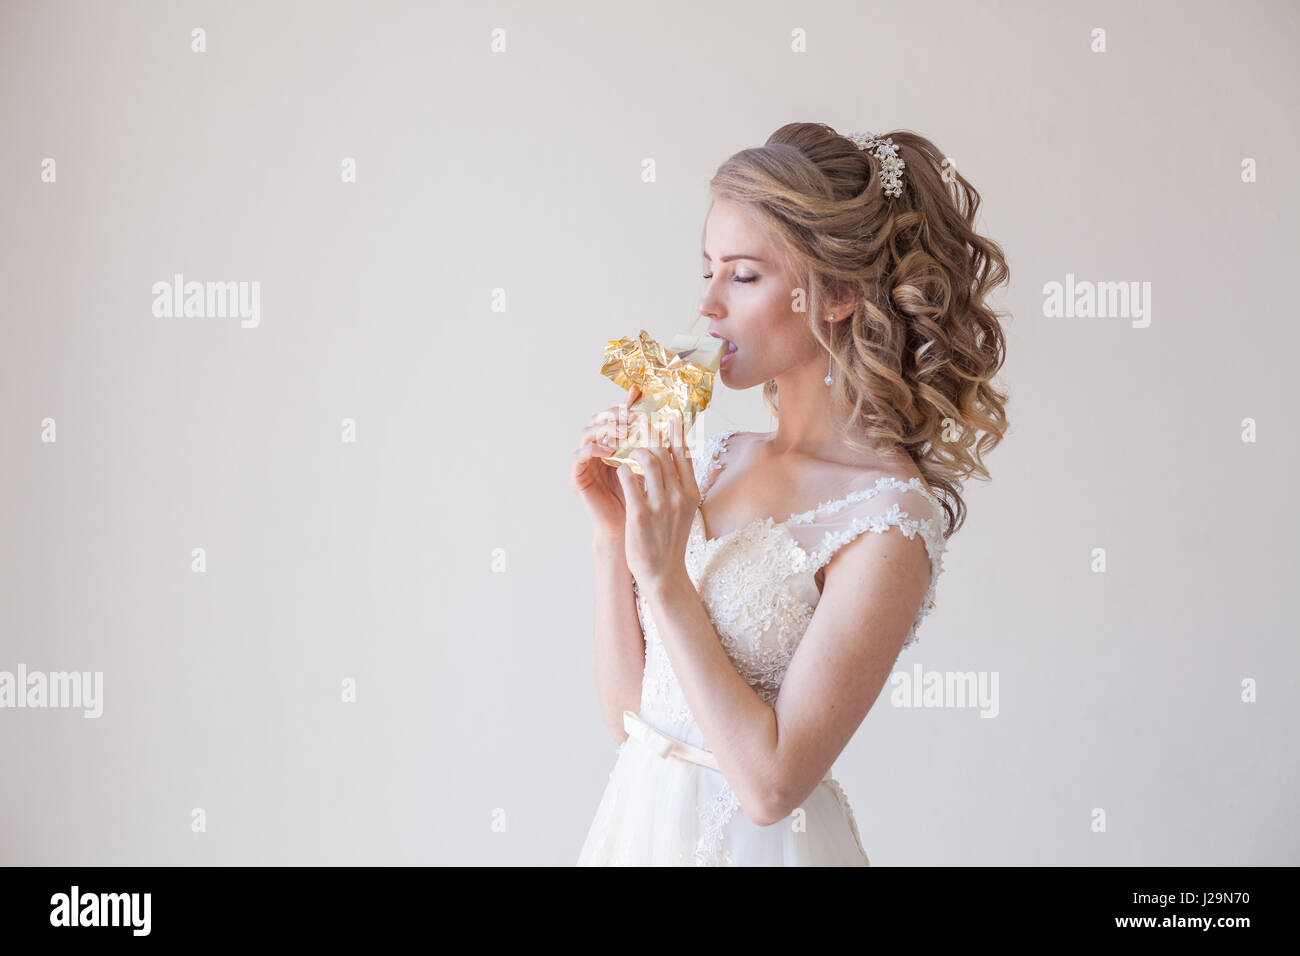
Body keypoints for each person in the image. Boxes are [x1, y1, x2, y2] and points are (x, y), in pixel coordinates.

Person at [569, 123, 1010, 865]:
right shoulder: (715, 461)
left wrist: (666, 577)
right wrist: (615, 538)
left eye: (743, 276)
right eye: (706, 270)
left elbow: (771, 786)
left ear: (836, 292)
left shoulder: (889, 520)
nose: (707, 306)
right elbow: (628, 723)